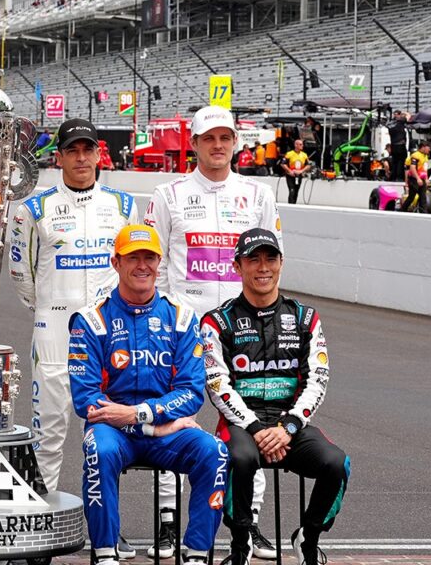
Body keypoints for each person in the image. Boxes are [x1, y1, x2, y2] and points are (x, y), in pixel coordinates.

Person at [144, 105, 281, 560]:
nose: (218, 146)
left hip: (241, 330)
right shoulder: (169, 194)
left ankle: (249, 521)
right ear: (195, 143)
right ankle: (168, 523)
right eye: (208, 139)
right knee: (172, 425)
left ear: (235, 143)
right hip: (183, 329)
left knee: (252, 420)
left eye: (225, 137)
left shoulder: (258, 194)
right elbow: (154, 263)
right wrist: (165, 320)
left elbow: (269, 264)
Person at [10, 118, 138, 556]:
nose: (81, 158)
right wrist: (50, 311)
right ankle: (41, 524)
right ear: (59, 157)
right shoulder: (35, 209)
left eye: (88, 149)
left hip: (108, 337)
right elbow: (20, 274)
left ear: (99, 154)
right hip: (53, 332)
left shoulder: (123, 205)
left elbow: (131, 269)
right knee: (49, 435)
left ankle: (105, 528)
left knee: (105, 438)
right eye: (73, 150)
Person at [68, 224, 226, 565]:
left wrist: (140, 415)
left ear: (160, 262)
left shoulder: (183, 319)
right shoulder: (90, 320)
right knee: (98, 449)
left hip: (162, 432)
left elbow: (191, 393)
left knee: (214, 451)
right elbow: (86, 400)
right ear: (116, 262)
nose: (142, 266)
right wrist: (154, 424)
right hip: (119, 432)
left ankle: (198, 555)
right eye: (132, 257)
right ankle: (106, 553)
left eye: (150, 257)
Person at [201, 228, 350, 565]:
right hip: (242, 425)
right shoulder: (216, 321)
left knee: (337, 463)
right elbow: (217, 385)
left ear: (281, 263)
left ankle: (308, 537)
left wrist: (288, 428)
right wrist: (256, 429)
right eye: (253, 259)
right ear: (237, 266)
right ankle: (241, 543)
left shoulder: (305, 318)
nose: (263, 267)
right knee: (237, 459)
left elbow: (318, 378)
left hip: (290, 425)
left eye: (270, 258)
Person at [401, 140, 430, 212]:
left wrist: (426, 179)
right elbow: (412, 168)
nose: (429, 149)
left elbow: (425, 169)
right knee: (411, 196)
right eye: (428, 147)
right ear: (423, 147)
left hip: (421, 179)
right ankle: (403, 210)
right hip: (414, 179)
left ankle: (424, 212)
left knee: (423, 196)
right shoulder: (415, 156)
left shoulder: (425, 156)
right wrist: (417, 179)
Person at [280, 139, 312, 204]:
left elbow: (309, 165)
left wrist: (301, 171)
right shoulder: (289, 154)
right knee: (292, 190)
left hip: (299, 175)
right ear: (296, 145)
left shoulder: (304, 155)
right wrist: (289, 171)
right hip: (290, 175)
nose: (302, 146)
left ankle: (294, 204)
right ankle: (290, 205)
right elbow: (282, 164)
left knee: (296, 191)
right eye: (300, 144)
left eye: (302, 144)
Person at [387, 110, 409, 183]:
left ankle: (393, 177)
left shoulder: (390, 123)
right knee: (401, 162)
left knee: (394, 162)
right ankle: (399, 178)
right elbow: (409, 116)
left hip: (393, 145)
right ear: (399, 115)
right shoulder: (400, 121)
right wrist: (404, 113)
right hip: (400, 145)